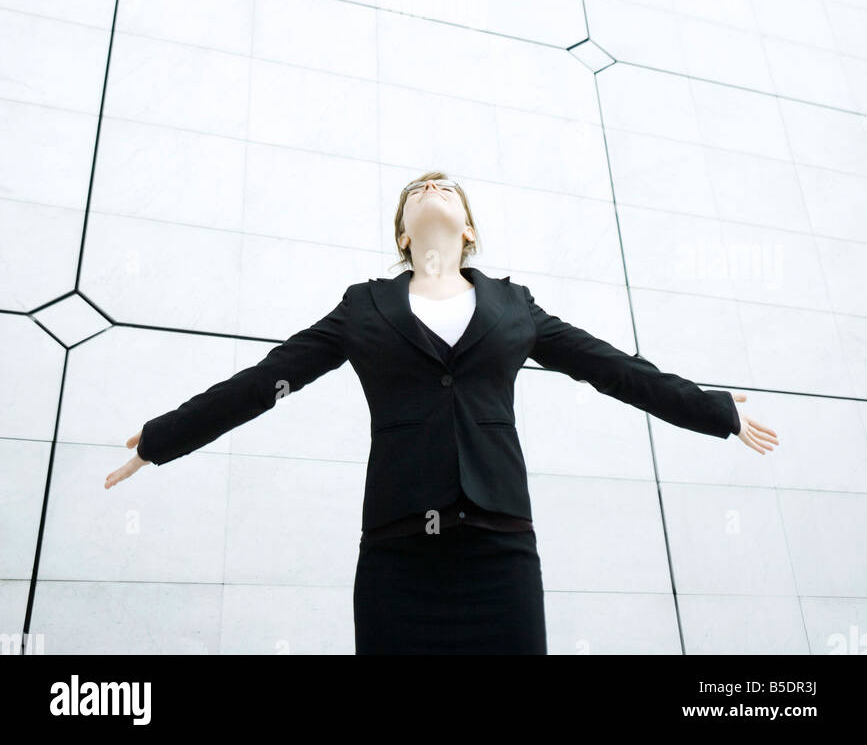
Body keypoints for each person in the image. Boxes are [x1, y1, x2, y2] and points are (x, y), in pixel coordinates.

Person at [105, 171, 779, 654]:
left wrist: (711, 410)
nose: (431, 186)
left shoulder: (514, 306)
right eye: (416, 190)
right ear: (402, 232)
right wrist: (162, 438)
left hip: (501, 550)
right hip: (398, 554)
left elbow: (610, 368)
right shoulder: (362, 307)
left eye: (445, 186)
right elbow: (265, 381)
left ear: (470, 229)